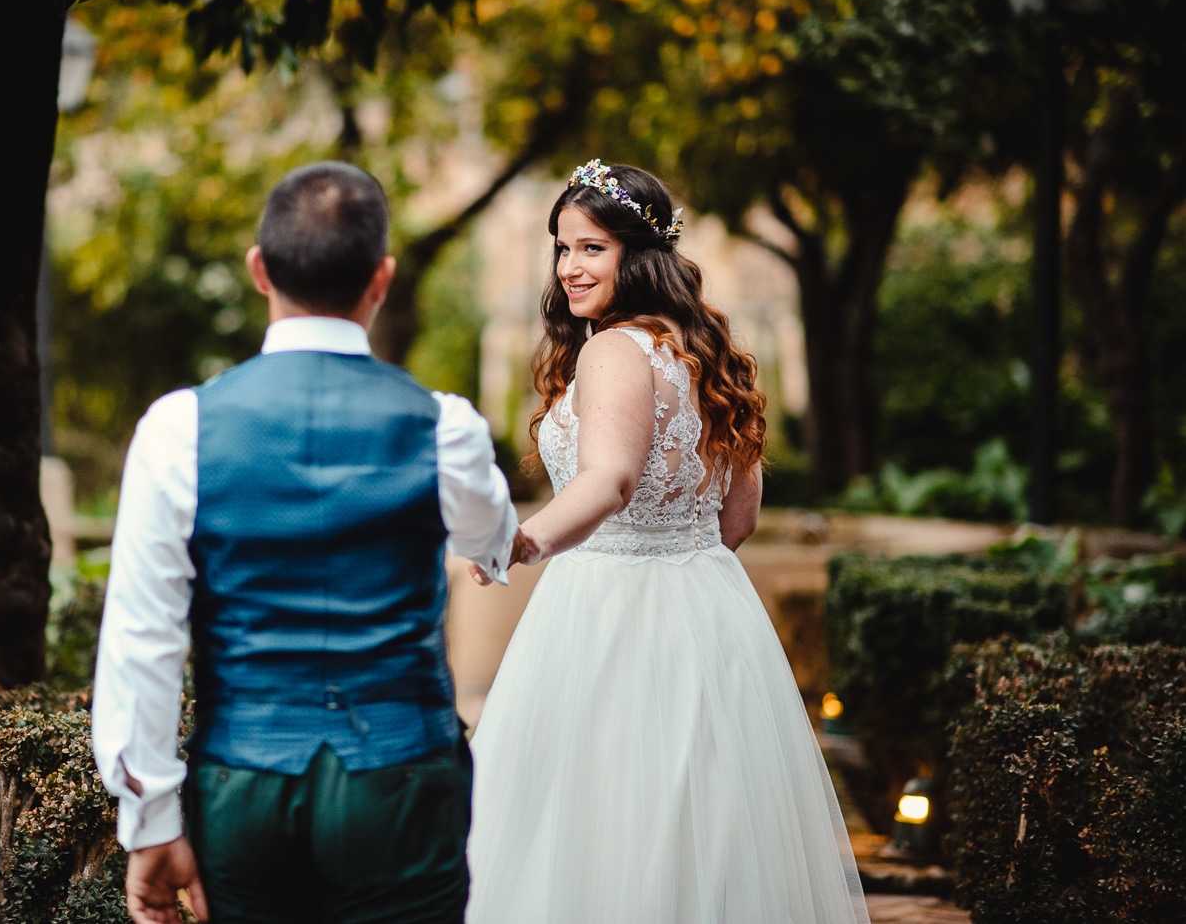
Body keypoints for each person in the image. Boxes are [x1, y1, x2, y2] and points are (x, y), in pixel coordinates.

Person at [91, 160, 518, 924]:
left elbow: (141, 635)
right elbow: (491, 540)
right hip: (403, 777)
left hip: (246, 783)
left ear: (260, 270)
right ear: (381, 279)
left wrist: (150, 819)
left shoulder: (177, 428)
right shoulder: (443, 425)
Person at [465, 161, 870, 923]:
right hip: (711, 606)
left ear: (638, 254)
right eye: (561, 248)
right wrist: (679, 558)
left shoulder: (613, 351)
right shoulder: (708, 349)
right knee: (705, 829)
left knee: (595, 822)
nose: (568, 268)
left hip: (608, 608)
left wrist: (523, 541)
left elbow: (609, 480)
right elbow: (739, 519)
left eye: (591, 248)